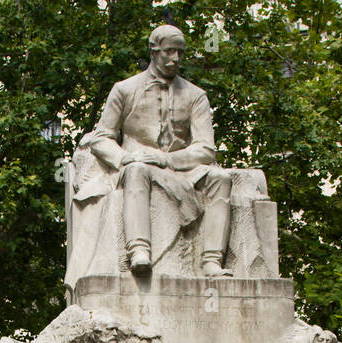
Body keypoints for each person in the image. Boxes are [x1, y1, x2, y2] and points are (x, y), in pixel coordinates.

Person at [84, 25, 233, 277]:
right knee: (137, 170)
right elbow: (101, 138)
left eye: (180, 53)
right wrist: (125, 157)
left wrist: (167, 159)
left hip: (180, 167)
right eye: (169, 52)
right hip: (137, 163)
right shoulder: (124, 89)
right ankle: (139, 250)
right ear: (154, 51)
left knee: (221, 178)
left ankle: (212, 261)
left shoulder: (196, 96)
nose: (175, 59)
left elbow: (205, 148)